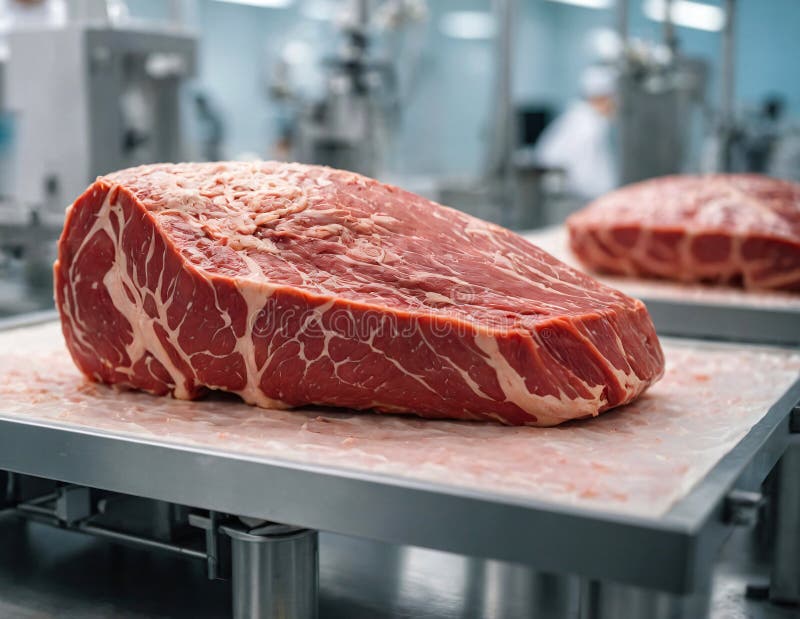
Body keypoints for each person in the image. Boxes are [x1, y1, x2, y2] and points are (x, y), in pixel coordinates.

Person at [534, 64, 618, 200]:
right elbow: (585, 176)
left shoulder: (584, 119)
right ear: (603, 97)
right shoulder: (586, 126)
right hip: (583, 201)